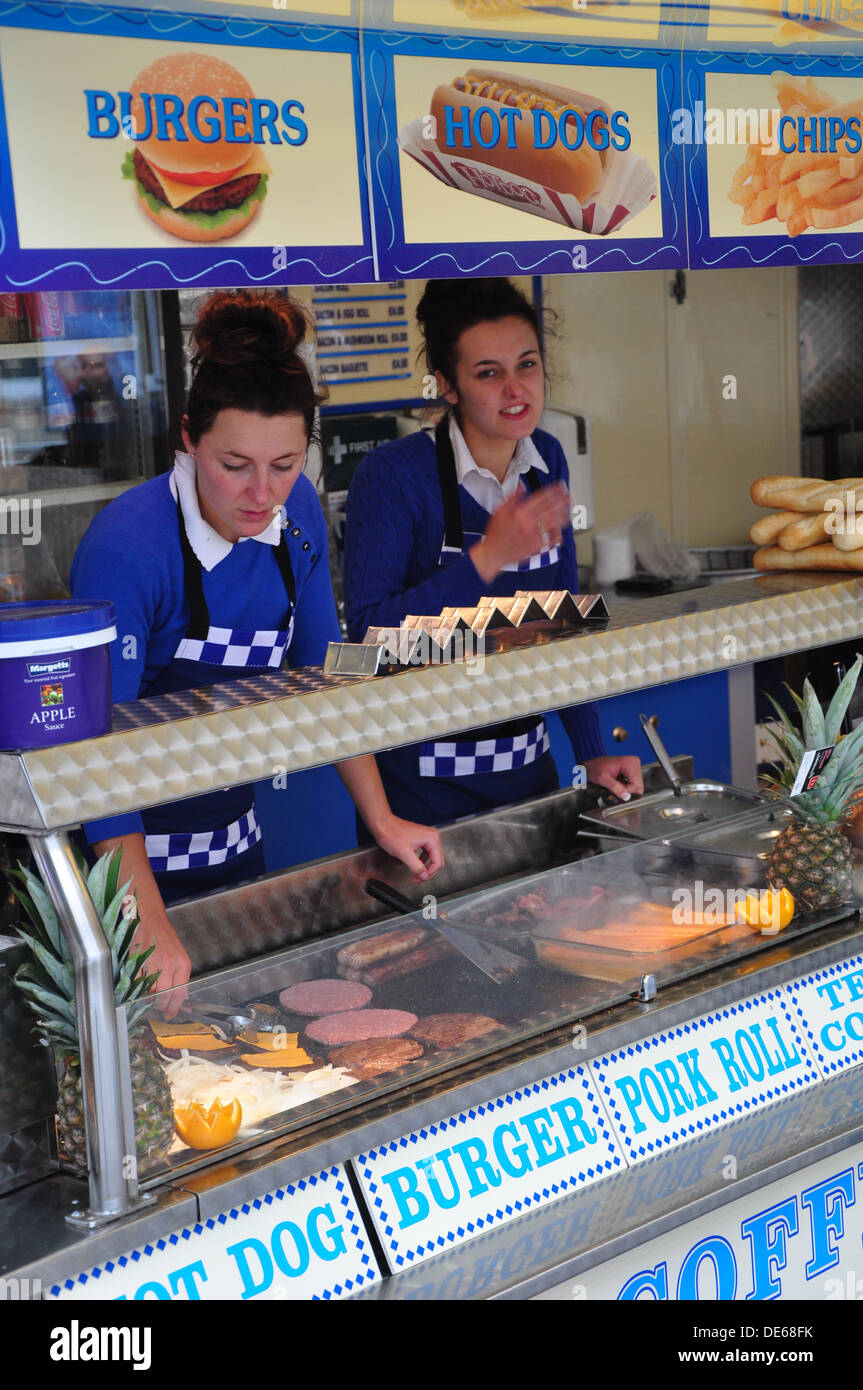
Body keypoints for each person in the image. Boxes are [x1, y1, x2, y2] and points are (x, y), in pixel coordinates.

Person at [71, 291, 443, 1006]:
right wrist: (142, 917)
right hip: (128, 872)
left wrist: (381, 815)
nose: (261, 492)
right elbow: (95, 751)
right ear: (187, 437)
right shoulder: (130, 547)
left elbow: (324, 671)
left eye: (284, 463)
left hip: (236, 847)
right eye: (234, 464)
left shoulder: (295, 508)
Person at [343, 277, 643, 832]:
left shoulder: (546, 457)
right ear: (446, 386)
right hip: (422, 805)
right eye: (488, 373)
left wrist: (590, 749)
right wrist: (484, 562)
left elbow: (562, 620)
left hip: (531, 780)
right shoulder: (392, 476)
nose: (516, 389)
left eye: (526, 365)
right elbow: (363, 648)